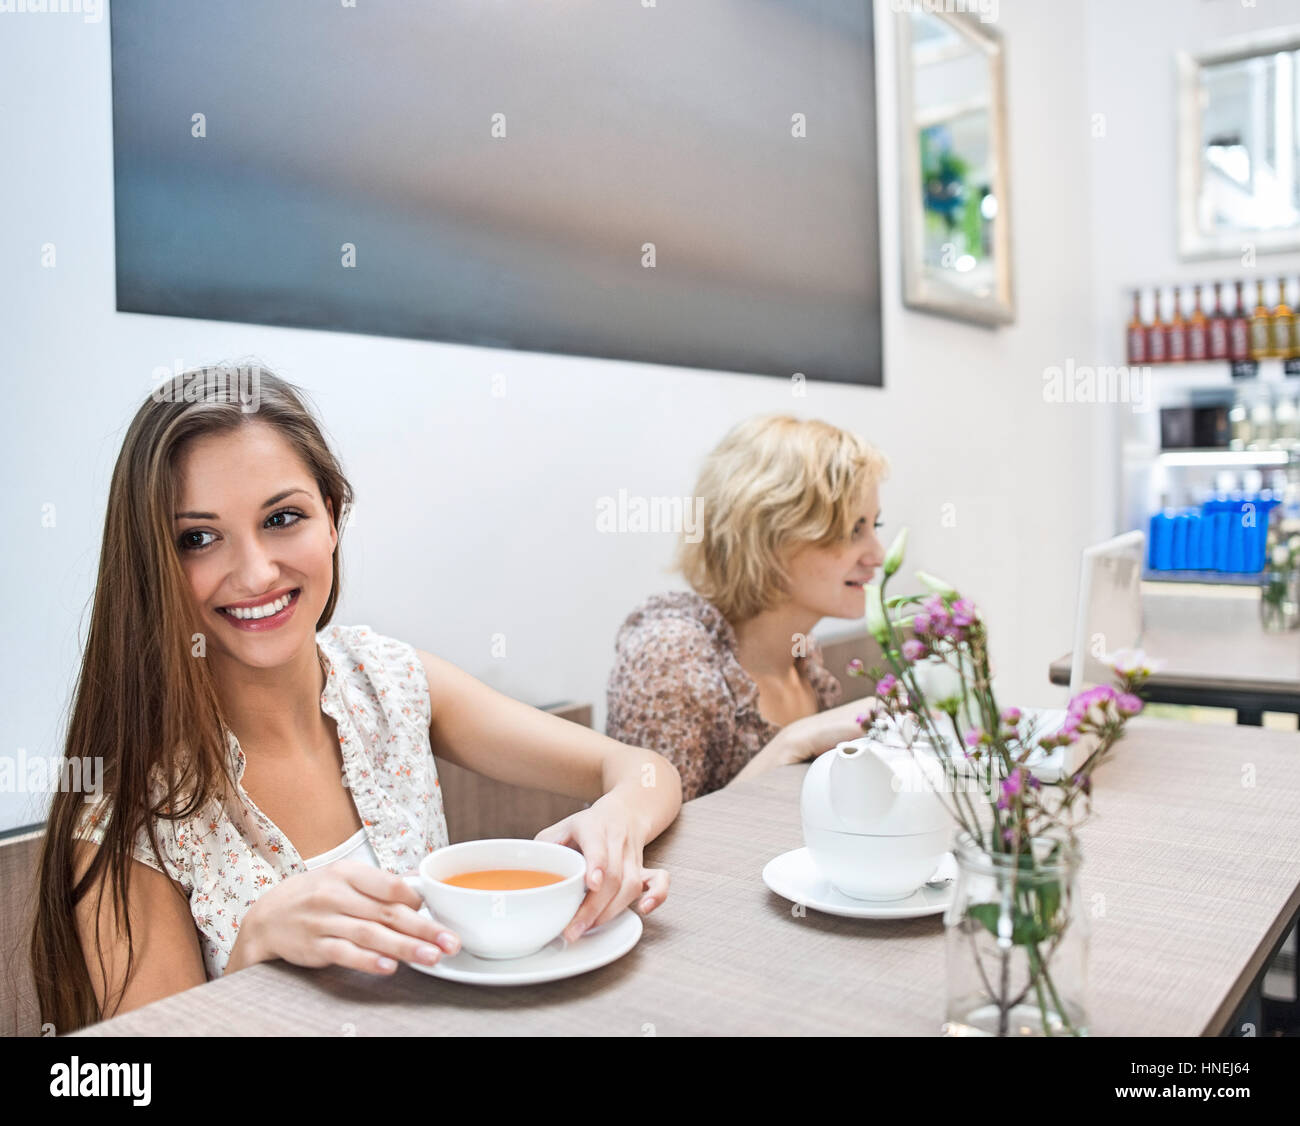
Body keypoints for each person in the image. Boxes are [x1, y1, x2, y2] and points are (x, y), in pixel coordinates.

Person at [30, 367, 680, 1033]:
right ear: (152, 565)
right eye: (197, 538)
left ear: (333, 519)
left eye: (283, 519)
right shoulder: (127, 824)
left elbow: (645, 772)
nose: (255, 572)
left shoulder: (390, 681)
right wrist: (252, 952)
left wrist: (616, 825)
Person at [606, 415, 888, 802]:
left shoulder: (801, 655)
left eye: (875, 525)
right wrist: (790, 743)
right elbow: (650, 850)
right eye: (854, 530)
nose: (878, 555)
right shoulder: (671, 658)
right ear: (770, 537)